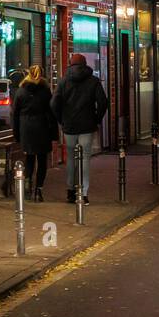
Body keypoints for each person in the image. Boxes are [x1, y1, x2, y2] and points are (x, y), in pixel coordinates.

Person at [52, 53, 109, 205]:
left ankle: (70, 192)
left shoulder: (63, 81)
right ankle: (83, 194)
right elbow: (103, 102)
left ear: (71, 64)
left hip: (69, 126)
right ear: (84, 64)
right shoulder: (93, 81)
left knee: (71, 158)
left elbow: (54, 103)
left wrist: (61, 119)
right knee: (84, 159)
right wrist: (96, 119)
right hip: (87, 126)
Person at [11, 65, 57, 202]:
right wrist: (54, 134)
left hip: (26, 129)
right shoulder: (45, 90)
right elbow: (51, 112)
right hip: (42, 128)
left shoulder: (21, 91)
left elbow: (15, 114)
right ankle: (38, 191)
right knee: (42, 161)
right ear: (42, 75)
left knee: (29, 159)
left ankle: (27, 188)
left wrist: (16, 133)